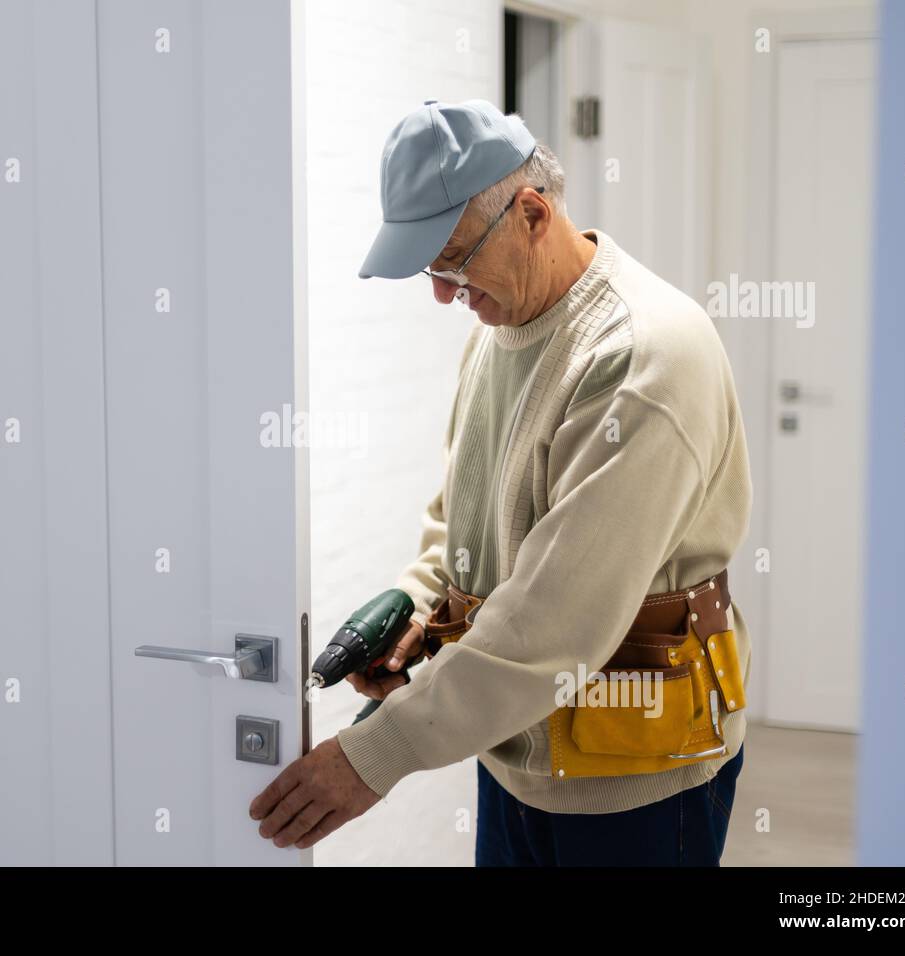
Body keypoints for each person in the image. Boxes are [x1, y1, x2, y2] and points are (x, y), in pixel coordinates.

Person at [249, 99, 751, 865]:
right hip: (517, 757)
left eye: (452, 260)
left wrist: (371, 758)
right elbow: (462, 523)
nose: (443, 294)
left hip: (639, 775)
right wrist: (416, 609)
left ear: (531, 212)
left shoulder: (645, 356)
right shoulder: (501, 334)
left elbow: (559, 618)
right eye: (430, 269)